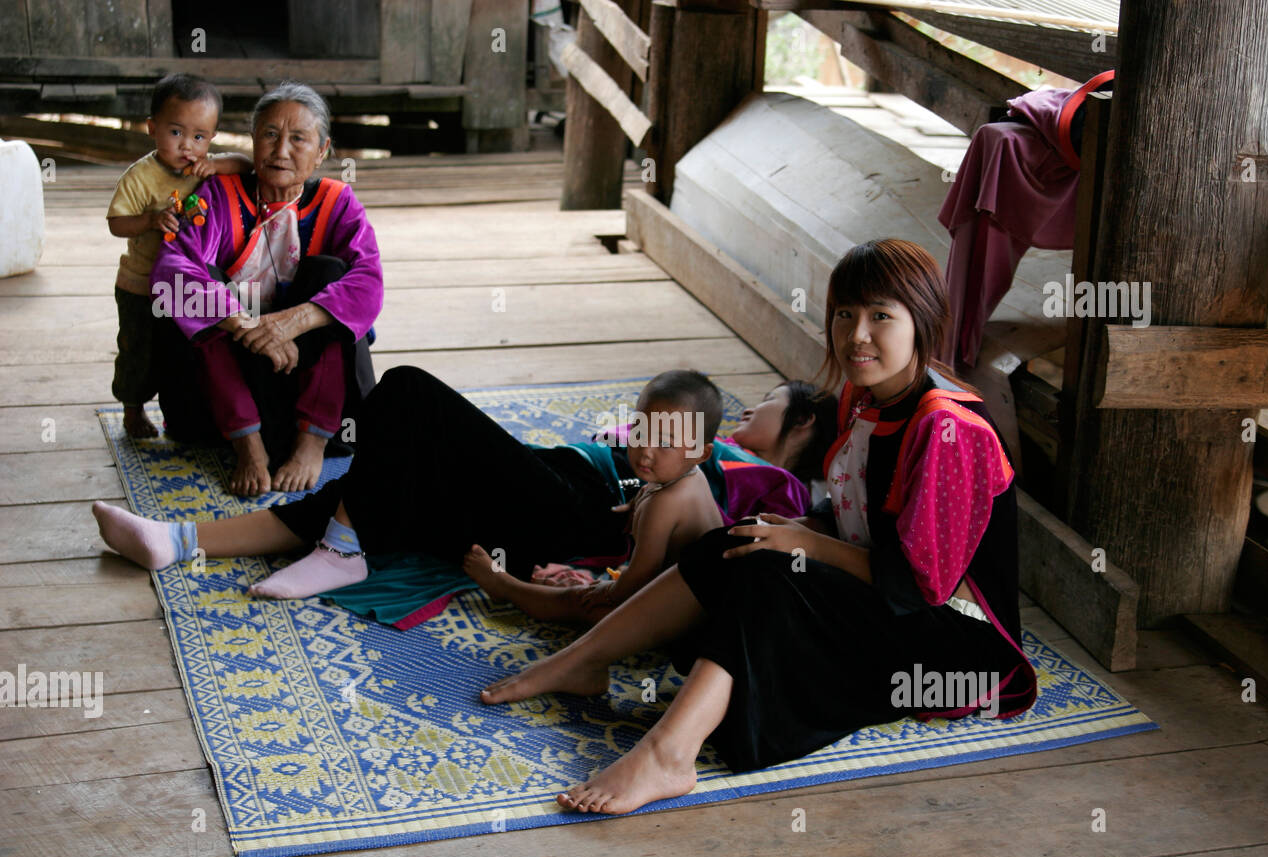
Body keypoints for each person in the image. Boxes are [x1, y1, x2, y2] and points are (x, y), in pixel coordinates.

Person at [477, 238, 1039, 816]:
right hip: (887, 601)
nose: (857, 335)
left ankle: (670, 753)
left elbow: (922, 584)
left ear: (923, 322)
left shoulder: (949, 428)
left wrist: (803, 542)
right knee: (740, 539)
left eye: (880, 317)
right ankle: (584, 661)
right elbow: (858, 516)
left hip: (951, 645)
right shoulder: (860, 395)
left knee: (772, 571)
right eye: (844, 314)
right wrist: (793, 529)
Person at [91, 367, 837, 613]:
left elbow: (657, 573)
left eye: (766, 407)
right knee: (390, 482)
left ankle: (344, 549)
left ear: (799, 430)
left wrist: (515, 585)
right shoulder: (677, 459)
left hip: (560, 507)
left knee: (406, 392)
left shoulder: (767, 483)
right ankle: (177, 541)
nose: (751, 412)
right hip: (562, 496)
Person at [150, 81, 382, 496]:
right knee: (205, 283)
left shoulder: (338, 203)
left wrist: (289, 324)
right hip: (229, 385)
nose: (281, 151)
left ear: (323, 150)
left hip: (311, 380)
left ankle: (312, 441)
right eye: (270, 135)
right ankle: (247, 445)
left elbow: (368, 282)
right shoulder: (218, 195)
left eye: (298, 139)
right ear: (252, 140)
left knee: (332, 273)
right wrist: (245, 324)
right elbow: (172, 273)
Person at [462, 370, 726, 625]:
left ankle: (507, 587)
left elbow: (641, 577)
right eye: (639, 433)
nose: (645, 451)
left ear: (700, 454)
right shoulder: (689, 476)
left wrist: (604, 592)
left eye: (665, 443)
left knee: (582, 603)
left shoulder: (665, 503)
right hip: (693, 595)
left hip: (682, 616)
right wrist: (635, 505)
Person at [106, 73, 252, 439]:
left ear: (211, 139)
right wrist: (151, 220)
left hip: (182, 287)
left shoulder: (201, 168)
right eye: (176, 133)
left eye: (199, 137)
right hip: (140, 286)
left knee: (175, 352)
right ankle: (133, 408)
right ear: (152, 128)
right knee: (138, 352)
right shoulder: (140, 177)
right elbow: (117, 224)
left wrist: (216, 165)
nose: (188, 145)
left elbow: (246, 165)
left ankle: (178, 411)